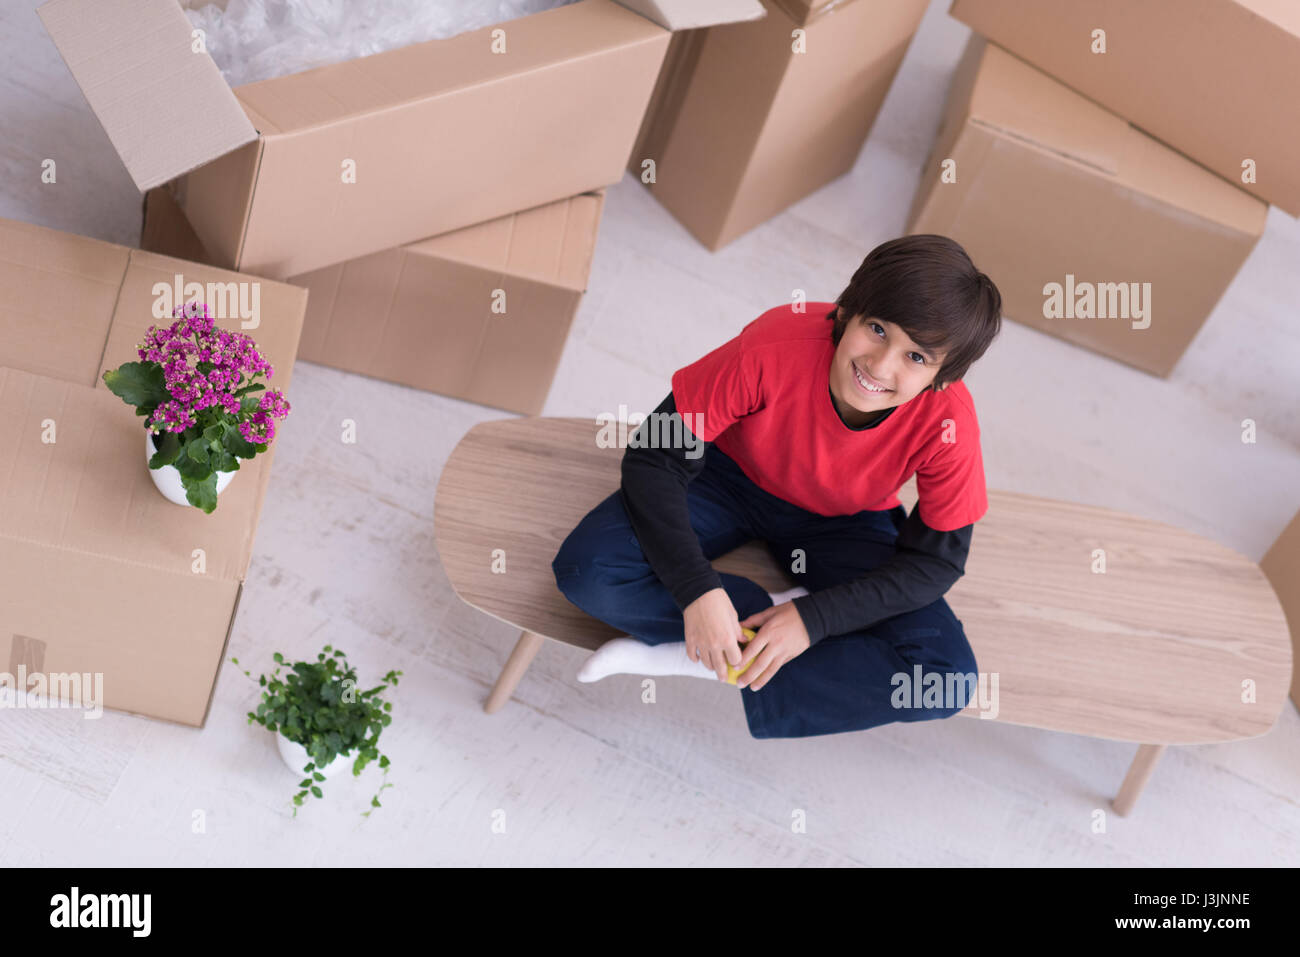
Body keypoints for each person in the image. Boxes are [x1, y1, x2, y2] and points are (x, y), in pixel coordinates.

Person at [551, 234, 1003, 738]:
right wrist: (697, 590)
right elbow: (655, 455)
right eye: (876, 329)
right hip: (727, 479)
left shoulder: (951, 422)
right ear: (846, 312)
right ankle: (728, 632)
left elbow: (937, 560)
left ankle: (703, 652)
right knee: (587, 571)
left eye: (916, 357)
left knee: (945, 680)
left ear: (944, 377)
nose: (880, 365)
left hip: (845, 519)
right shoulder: (774, 343)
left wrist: (814, 618)